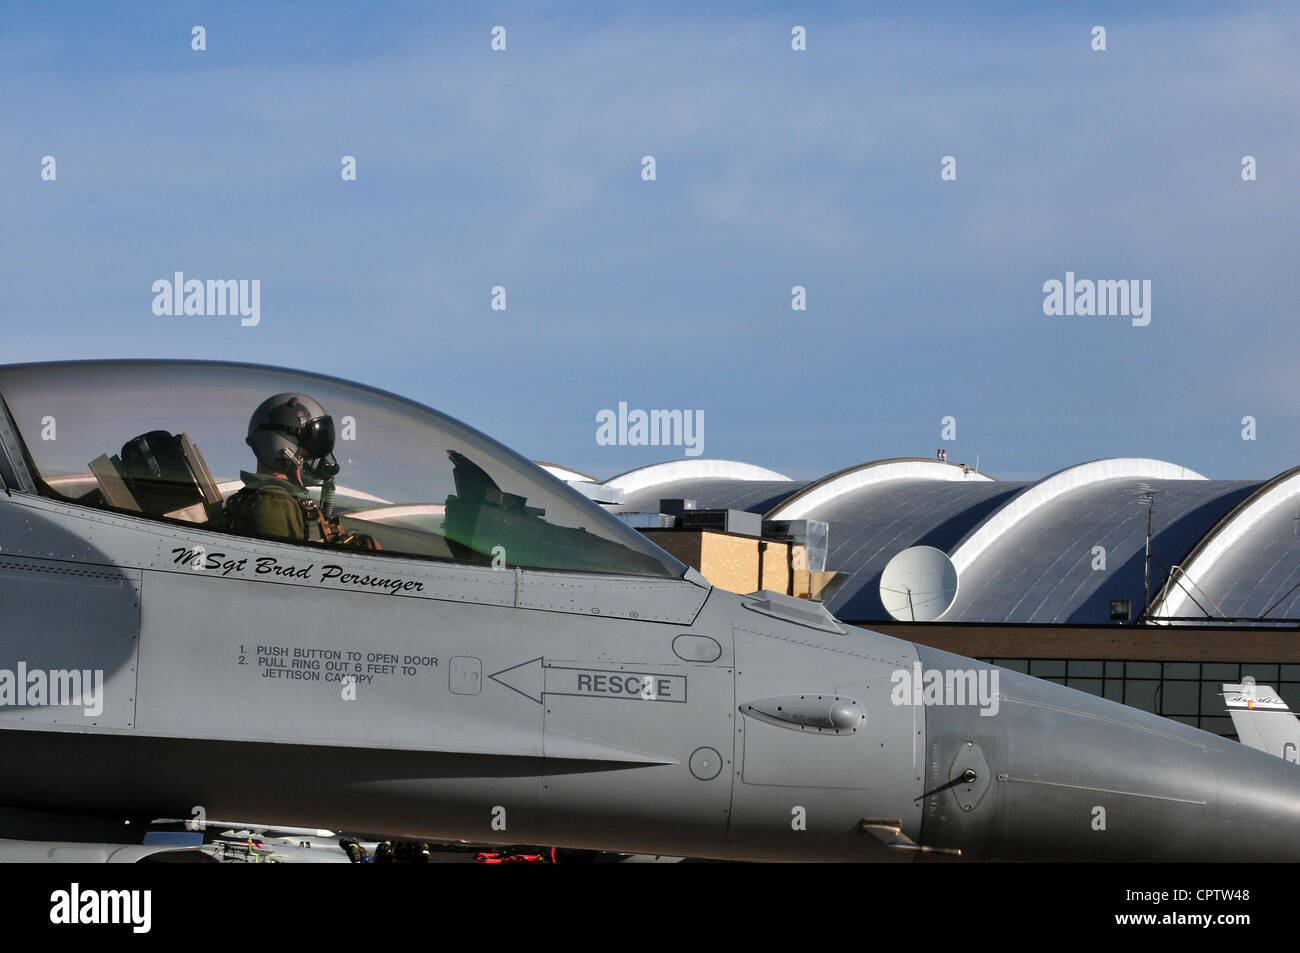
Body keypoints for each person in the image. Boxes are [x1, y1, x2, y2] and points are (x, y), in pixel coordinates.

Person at [223, 392, 349, 544]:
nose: (317, 459)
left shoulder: (256, 498)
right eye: (311, 448)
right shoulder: (276, 506)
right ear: (284, 448)